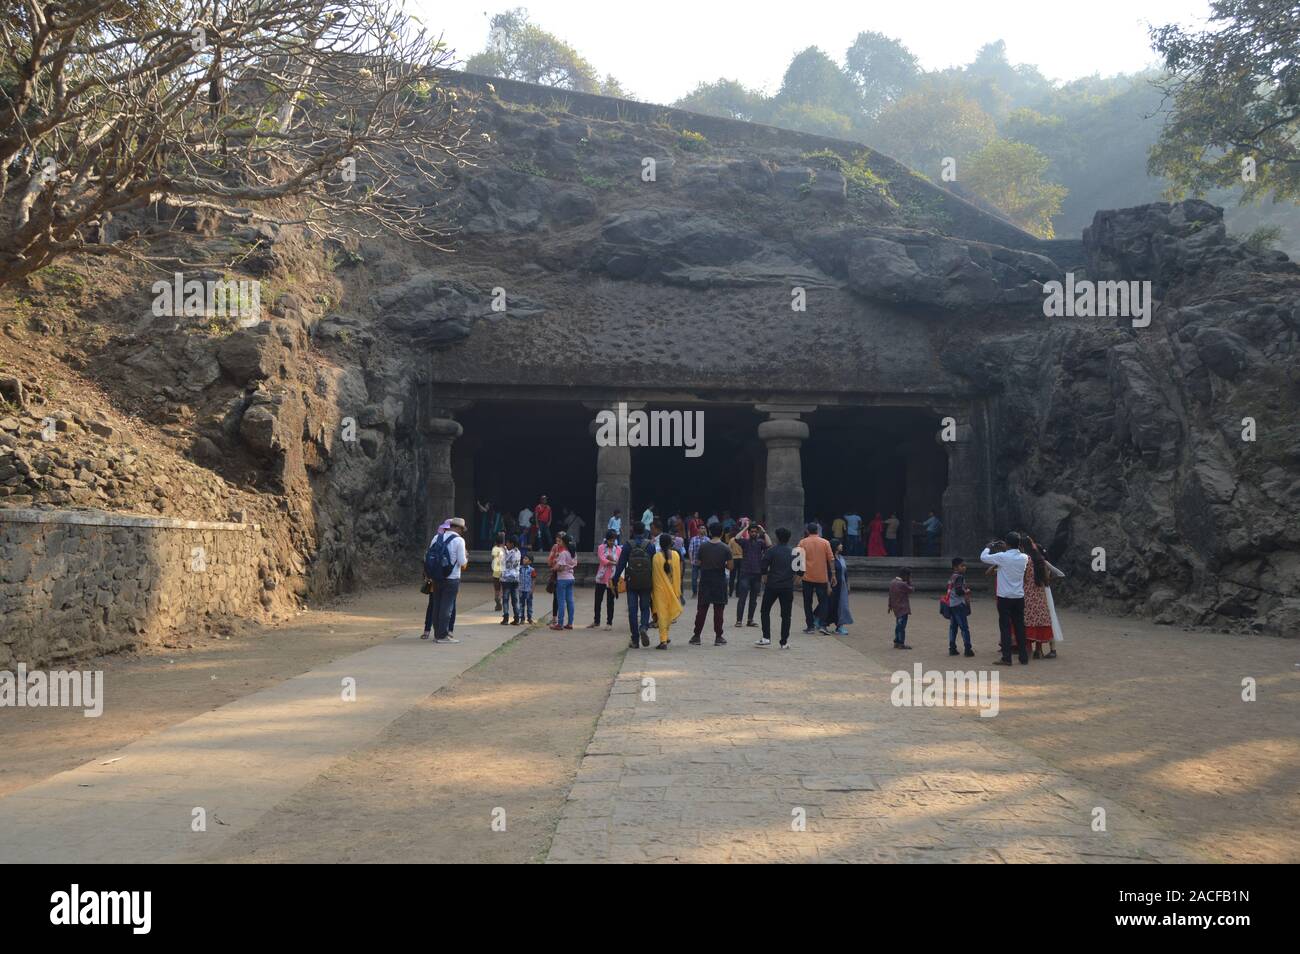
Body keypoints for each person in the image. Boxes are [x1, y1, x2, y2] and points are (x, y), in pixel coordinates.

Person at [981, 533, 1030, 666]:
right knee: (1020, 626)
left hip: (1004, 597)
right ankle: (1023, 657)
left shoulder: (1002, 557)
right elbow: (1019, 553)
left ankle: (1006, 657)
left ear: (1007, 544)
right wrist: (1009, 547)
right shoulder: (1024, 558)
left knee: (1005, 627)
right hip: (1019, 596)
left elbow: (984, 557)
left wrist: (988, 547)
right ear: (1019, 544)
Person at [422, 517, 468, 644]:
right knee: (447, 606)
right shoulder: (459, 540)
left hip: (437, 576)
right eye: (462, 529)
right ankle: (443, 635)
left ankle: (437, 633)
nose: (462, 532)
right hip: (451, 577)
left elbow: (428, 555)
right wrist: (466, 556)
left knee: (437, 604)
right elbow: (462, 562)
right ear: (458, 528)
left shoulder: (437, 537)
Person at [611, 522, 653, 648]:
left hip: (632, 582)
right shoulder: (650, 546)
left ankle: (635, 639)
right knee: (645, 608)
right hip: (646, 582)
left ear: (633, 531)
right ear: (644, 531)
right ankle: (644, 627)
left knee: (632, 611)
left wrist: (615, 579)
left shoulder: (628, 545)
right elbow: (654, 565)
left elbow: (621, 564)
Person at [691, 521, 732, 646]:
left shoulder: (703, 546)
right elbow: (730, 566)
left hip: (705, 580)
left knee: (702, 609)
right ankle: (718, 636)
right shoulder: (725, 548)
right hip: (719, 580)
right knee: (718, 610)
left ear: (709, 532)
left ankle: (696, 636)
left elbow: (697, 562)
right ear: (721, 533)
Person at [755, 527, 796, 648]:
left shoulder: (772, 551)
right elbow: (800, 571)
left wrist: (764, 576)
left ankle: (766, 637)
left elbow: (763, 565)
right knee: (786, 615)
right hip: (787, 586)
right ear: (789, 538)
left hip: (772, 585)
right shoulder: (794, 552)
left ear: (777, 538)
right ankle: (784, 642)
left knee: (765, 611)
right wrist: (793, 580)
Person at [1021, 535, 1057, 660]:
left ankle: (1028, 650)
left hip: (1028, 595)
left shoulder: (1025, 561)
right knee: (1040, 622)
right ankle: (1039, 650)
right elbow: (1047, 579)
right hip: (1040, 596)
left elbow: (1023, 578)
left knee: (1029, 622)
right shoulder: (1041, 561)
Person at [797, 522, 836, 634]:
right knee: (823, 602)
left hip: (807, 577)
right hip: (821, 577)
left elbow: (797, 559)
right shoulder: (825, 542)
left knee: (807, 602)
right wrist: (833, 575)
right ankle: (823, 625)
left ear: (807, 531)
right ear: (818, 531)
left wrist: (798, 575)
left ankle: (810, 626)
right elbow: (831, 559)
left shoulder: (802, 542)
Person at [650, 532, 683, 649]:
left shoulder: (656, 557)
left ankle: (663, 640)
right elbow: (678, 574)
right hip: (673, 589)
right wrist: (677, 591)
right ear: (671, 543)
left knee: (662, 615)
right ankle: (666, 636)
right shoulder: (676, 555)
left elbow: (654, 576)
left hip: (659, 590)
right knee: (667, 615)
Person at [734, 522, 769, 628]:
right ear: (749, 533)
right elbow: (736, 538)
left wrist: (763, 531)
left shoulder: (760, 542)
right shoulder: (745, 542)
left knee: (753, 599)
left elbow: (769, 544)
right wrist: (745, 528)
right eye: (752, 531)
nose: (754, 533)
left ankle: (750, 620)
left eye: (755, 531)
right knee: (742, 598)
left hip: (757, 574)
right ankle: (739, 620)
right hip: (745, 573)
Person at [590, 530, 621, 630]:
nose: (612, 542)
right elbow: (602, 559)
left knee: (610, 601)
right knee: (598, 600)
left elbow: (619, 561)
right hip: (601, 577)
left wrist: (611, 560)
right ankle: (596, 621)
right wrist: (613, 561)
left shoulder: (618, 549)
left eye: (613, 540)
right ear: (606, 540)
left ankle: (609, 623)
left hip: (612, 578)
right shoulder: (601, 548)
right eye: (610, 540)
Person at [823, 539, 853, 635]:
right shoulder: (830, 559)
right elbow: (827, 573)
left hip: (842, 586)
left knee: (843, 605)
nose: (842, 546)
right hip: (833, 586)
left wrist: (848, 585)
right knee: (831, 605)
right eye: (840, 544)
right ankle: (824, 623)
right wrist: (828, 585)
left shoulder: (841, 558)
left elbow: (846, 573)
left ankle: (840, 625)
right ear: (835, 546)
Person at [548, 531, 576, 630]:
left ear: (564, 542)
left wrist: (553, 568)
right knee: (570, 601)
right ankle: (570, 623)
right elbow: (573, 564)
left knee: (561, 601)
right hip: (571, 577)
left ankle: (560, 623)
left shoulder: (564, 553)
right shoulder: (573, 553)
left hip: (562, 578)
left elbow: (560, 567)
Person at [946, 556, 974, 656]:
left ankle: (952, 648)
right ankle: (968, 649)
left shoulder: (952, 576)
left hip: (952, 604)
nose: (964, 567)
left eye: (964, 565)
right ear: (955, 567)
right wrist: (966, 591)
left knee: (953, 627)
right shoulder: (959, 577)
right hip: (959, 604)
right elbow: (958, 591)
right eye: (962, 566)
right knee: (964, 628)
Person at [888, 567, 913, 649]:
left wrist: (889, 605)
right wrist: (909, 582)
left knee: (898, 625)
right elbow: (911, 589)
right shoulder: (902, 584)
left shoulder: (892, 582)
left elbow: (890, 595)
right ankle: (901, 642)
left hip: (896, 607)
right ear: (905, 576)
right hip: (903, 608)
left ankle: (896, 641)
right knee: (901, 626)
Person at [500, 538, 521, 625]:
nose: (507, 545)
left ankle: (506, 618)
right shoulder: (518, 552)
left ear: (512, 543)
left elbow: (505, 560)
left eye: (508, 543)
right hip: (515, 578)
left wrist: (503, 550)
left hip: (507, 579)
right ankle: (517, 618)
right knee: (515, 599)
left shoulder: (510, 552)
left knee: (505, 599)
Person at [688, 521, 707, 597]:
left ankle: (703, 593)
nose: (703, 530)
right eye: (702, 528)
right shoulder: (694, 539)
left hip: (704, 563)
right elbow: (690, 550)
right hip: (695, 562)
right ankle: (695, 592)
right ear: (698, 530)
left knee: (704, 579)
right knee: (694, 579)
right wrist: (691, 560)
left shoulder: (707, 539)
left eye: (704, 528)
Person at [518, 553, 536, 624]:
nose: (524, 560)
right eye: (523, 558)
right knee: (521, 604)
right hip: (521, 589)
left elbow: (534, 580)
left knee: (529, 604)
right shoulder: (519, 569)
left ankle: (529, 618)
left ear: (530, 562)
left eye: (526, 559)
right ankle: (522, 618)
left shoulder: (532, 570)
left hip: (528, 590)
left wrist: (532, 589)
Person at [490, 531, 506, 611]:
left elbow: (493, 558)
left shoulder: (494, 549)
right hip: (503, 571)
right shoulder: (504, 549)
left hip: (496, 571)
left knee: (497, 589)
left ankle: (497, 599)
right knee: (503, 588)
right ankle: (501, 599)